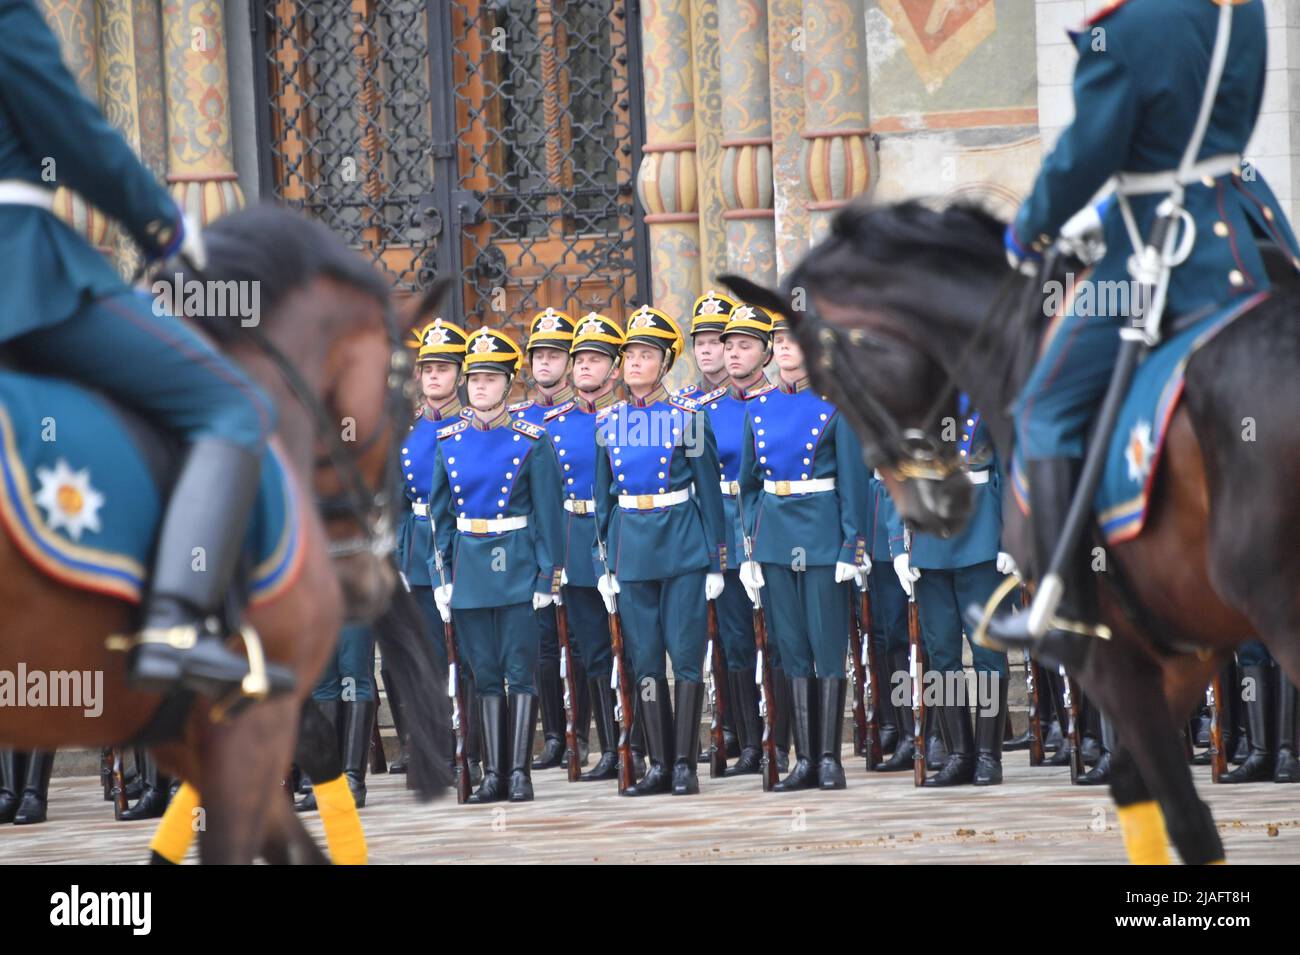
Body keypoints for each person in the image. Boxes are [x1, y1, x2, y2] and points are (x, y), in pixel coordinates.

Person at [989, 0, 1300, 653]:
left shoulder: (1122, 31)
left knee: (1045, 405)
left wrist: (1028, 229)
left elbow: (1083, 157)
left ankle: (1063, 602)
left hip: (1161, 251)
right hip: (1246, 239)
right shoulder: (1241, 10)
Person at [0, 0, 290, 699]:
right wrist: (162, 225)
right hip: (20, 274)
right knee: (233, 403)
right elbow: (70, 133)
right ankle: (174, 625)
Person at [593, 305, 727, 796]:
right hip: (632, 551)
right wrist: (604, 562)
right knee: (645, 659)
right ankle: (658, 763)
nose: (633, 362)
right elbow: (603, 501)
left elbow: (711, 497)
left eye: (645, 354)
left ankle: (686, 764)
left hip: (682, 548)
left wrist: (717, 560)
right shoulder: (609, 423)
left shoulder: (689, 419)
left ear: (665, 363)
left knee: (685, 656)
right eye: (629, 354)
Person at [427, 328, 564, 803]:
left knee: (519, 670)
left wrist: (549, 574)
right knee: (484, 672)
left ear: (509, 385)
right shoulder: (449, 441)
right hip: (469, 570)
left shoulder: (532, 440)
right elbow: (439, 519)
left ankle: (520, 772)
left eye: (491, 379)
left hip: (518, 566)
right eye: (475, 379)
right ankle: (491, 774)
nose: (480, 388)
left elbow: (548, 514)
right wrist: (441, 575)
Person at [736, 314, 870, 791]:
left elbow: (854, 485)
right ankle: (805, 759)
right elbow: (749, 486)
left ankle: (831, 757)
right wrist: (751, 543)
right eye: (778, 340)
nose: (785, 347)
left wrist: (851, 547)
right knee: (790, 648)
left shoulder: (836, 407)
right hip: (775, 537)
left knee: (826, 648)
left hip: (821, 536)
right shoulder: (759, 407)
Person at [890, 395, 1015, 786]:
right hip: (928, 546)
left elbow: (1012, 474)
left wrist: (1013, 539)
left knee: (987, 656)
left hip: (980, 539)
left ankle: (988, 755)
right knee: (941, 655)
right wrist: (897, 545)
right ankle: (959, 751)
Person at [542, 312, 627, 780]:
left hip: (619, 537)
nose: (586, 368)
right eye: (581, 360)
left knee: (631, 646)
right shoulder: (553, 423)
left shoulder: (629, 419)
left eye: (597, 359)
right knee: (593, 649)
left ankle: (640, 735)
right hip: (574, 542)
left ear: (614, 369)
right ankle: (609, 747)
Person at [510, 308, 590, 771]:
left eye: (554, 354)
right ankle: (554, 735)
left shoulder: (589, 414)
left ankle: (581, 730)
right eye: (538, 354)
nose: (545, 363)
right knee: (541, 642)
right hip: (533, 544)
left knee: (579, 641)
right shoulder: (519, 418)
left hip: (579, 537)